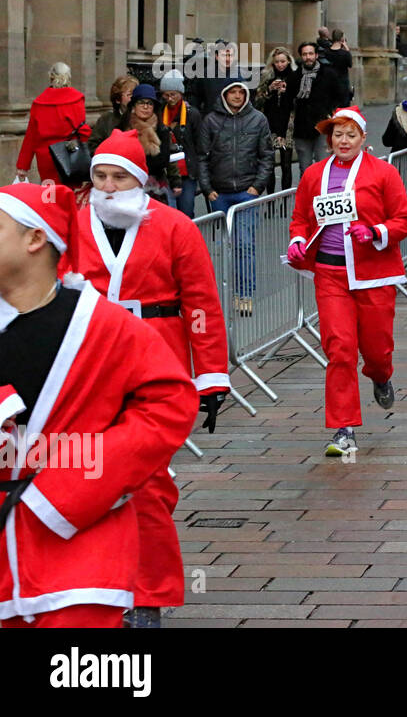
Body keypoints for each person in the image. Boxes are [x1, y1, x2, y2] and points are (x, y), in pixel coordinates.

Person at [0, 182, 195, 628]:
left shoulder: (102, 325)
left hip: (77, 547)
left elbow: (169, 401)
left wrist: (79, 481)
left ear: (35, 239)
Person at [76, 131, 230, 627]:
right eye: (100, 176)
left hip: (155, 366)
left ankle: (149, 596)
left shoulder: (174, 227)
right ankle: (98, 588)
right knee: (90, 482)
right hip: (87, 369)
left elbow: (202, 305)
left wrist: (209, 376)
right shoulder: (73, 226)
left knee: (147, 484)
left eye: (119, 176)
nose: (107, 185)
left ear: (140, 181)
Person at [287, 107, 407, 457]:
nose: (343, 141)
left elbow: (404, 219)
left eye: (350, 135)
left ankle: (381, 374)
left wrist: (376, 232)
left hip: (373, 273)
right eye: (337, 135)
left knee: (376, 348)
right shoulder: (314, 175)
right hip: (330, 274)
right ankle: (343, 429)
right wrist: (297, 242)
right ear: (330, 140)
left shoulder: (383, 173)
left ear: (363, 139)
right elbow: (300, 218)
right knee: (339, 348)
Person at [195, 79, 273, 313]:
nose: (237, 96)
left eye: (241, 92)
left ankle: (245, 294)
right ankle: (224, 294)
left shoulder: (258, 119)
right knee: (225, 248)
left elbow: (266, 155)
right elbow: (202, 157)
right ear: (225, 95)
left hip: (246, 192)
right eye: (233, 92)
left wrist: (257, 187)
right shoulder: (211, 120)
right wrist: (208, 189)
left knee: (245, 246)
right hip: (219, 193)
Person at [16, 62, 91, 187]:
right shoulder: (76, 99)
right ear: (68, 77)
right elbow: (81, 130)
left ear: (50, 78)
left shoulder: (39, 102)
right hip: (70, 154)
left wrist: (23, 166)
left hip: (46, 157)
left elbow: (31, 136)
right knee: (70, 195)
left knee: (50, 196)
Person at [119, 84, 182, 205]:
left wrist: (175, 181)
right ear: (134, 106)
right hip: (128, 186)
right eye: (141, 102)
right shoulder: (123, 127)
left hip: (156, 187)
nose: (145, 107)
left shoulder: (162, 130)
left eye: (150, 103)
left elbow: (164, 160)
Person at [293, 41, 349, 173]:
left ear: (316, 55)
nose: (308, 57)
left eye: (311, 54)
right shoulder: (295, 77)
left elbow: (342, 95)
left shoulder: (328, 74)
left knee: (324, 167)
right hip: (302, 128)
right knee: (305, 169)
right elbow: (287, 101)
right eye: (305, 54)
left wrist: (333, 113)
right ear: (301, 56)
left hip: (323, 125)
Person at [158, 70, 202, 217]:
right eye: (166, 94)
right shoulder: (159, 112)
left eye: (173, 94)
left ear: (181, 93)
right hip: (166, 171)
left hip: (187, 171)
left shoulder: (192, 114)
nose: (169, 98)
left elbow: (199, 143)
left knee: (186, 210)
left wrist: (199, 170)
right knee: (169, 213)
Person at [255, 47, 299, 194]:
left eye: (283, 61)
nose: (280, 65)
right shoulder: (267, 77)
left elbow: (301, 100)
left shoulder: (295, 77)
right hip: (270, 124)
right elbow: (257, 101)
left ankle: (284, 198)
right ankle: (271, 197)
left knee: (286, 165)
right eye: (277, 62)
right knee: (270, 165)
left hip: (288, 125)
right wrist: (270, 90)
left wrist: (289, 91)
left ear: (288, 61)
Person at [89, 75, 139, 153]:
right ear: (118, 99)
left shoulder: (143, 117)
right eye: (129, 95)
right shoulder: (106, 119)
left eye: (136, 95)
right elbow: (92, 146)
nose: (134, 98)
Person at [328, 29, 354, 103]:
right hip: (343, 83)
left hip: (330, 83)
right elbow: (350, 64)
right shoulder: (345, 54)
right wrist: (347, 49)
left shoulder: (326, 52)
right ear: (342, 39)